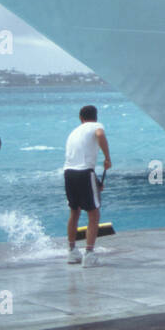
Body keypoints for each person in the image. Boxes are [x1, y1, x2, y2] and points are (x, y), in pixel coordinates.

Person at [64, 104, 111, 266]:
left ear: (81, 118)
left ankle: (72, 252)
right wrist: (107, 158)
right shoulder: (96, 126)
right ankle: (89, 255)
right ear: (95, 117)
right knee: (94, 213)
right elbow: (100, 134)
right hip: (85, 173)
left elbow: (78, 161)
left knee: (74, 211)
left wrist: (96, 182)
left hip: (68, 173)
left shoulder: (74, 132)